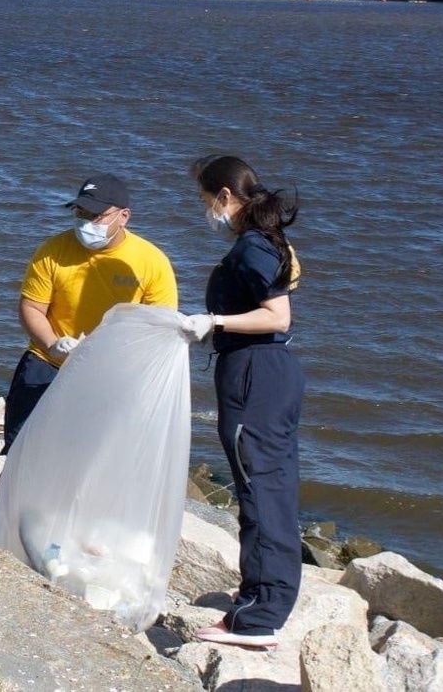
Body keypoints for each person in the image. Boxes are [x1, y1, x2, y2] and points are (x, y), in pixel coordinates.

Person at [180, 154, 304, 651]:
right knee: (273, 485)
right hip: (273, 375)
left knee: (259, 490)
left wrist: (215, 323)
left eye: (206, 199)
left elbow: (277, 317)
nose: (205, 208)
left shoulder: (253, 245)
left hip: (256, 373)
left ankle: (259, 617)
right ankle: (265, 593)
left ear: (225, 197)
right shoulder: (267, 240)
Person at [1, 173, 178, 453]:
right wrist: (53, 344)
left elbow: (159, 329)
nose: (86, 223)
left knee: (85, 457)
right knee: (20, 453)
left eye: (96, 216)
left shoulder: (152, 262)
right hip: (47, 364)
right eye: (80, 213)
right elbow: (31, 307)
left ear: (124, 216)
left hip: (109, 375)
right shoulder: (52, 250)